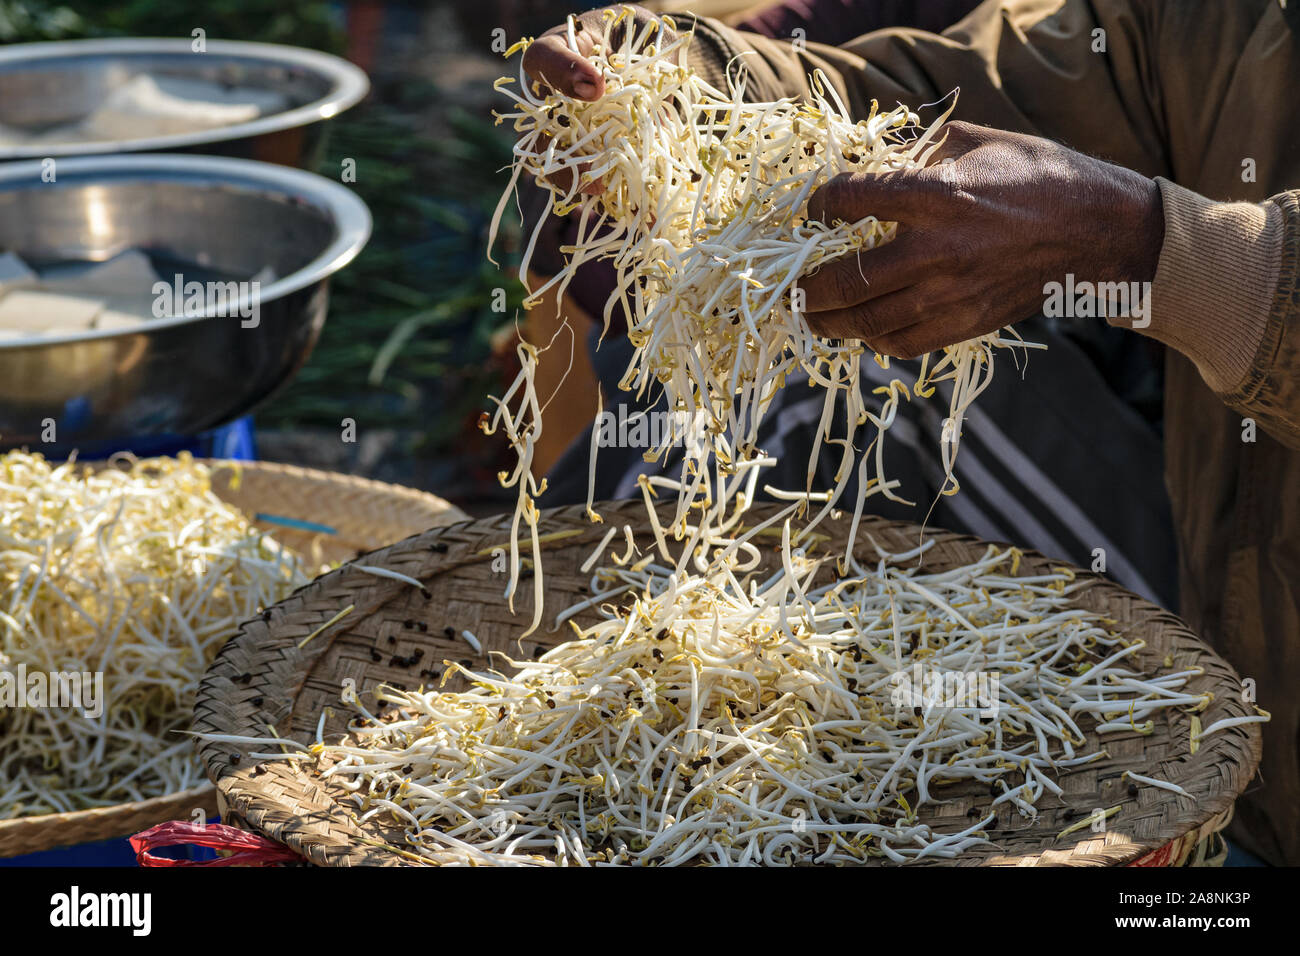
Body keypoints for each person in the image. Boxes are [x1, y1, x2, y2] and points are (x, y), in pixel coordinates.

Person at [514, 0, 1300, 865]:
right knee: (778, 398)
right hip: (1223, 623)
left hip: (1218, 663)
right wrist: (688, 88)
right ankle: (568, 669)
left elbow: (1134, 235)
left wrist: (1151, 250)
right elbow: (957, 98)